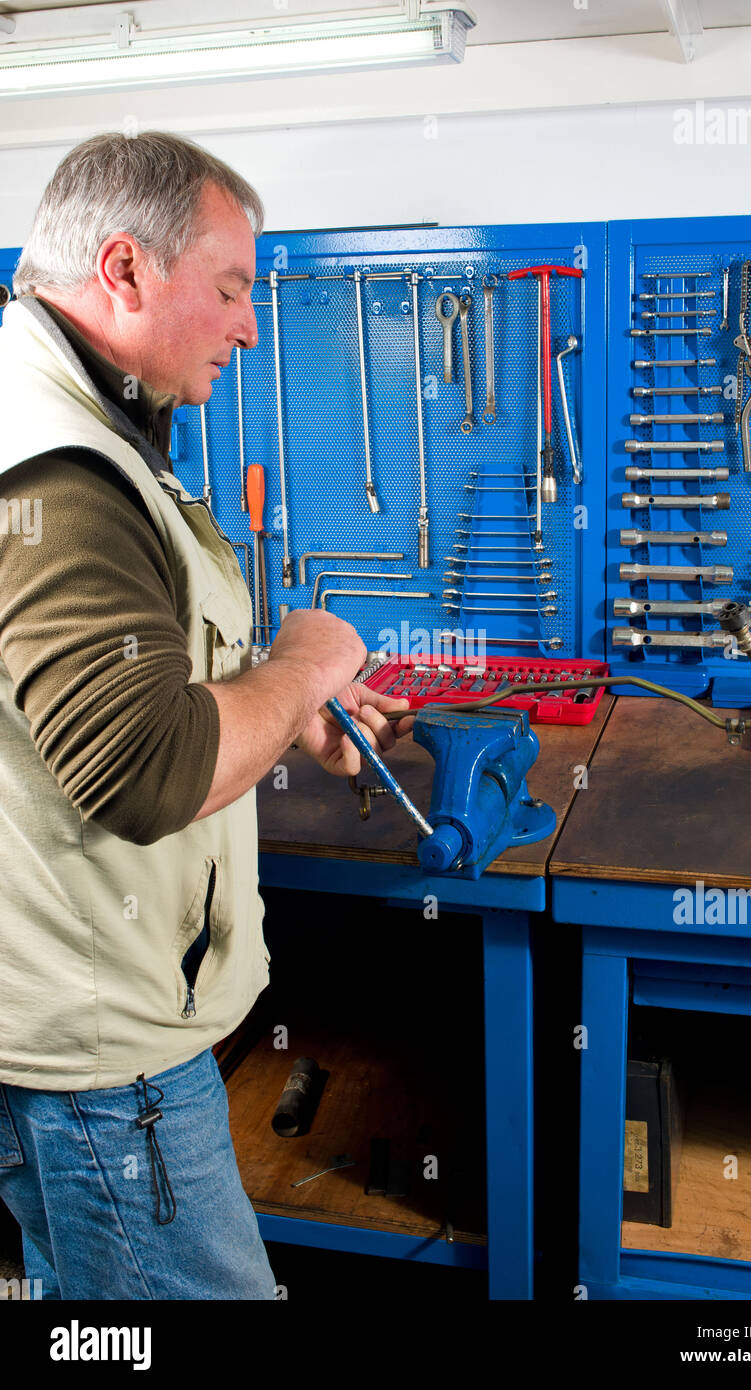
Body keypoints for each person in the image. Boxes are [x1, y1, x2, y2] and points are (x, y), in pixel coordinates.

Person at [0, 130, 412, 1299]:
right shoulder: (61, 471)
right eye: (230, 288)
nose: (246, 325)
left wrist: (287, 716)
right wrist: (302, 663)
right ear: (123, 271)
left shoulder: (80, 418)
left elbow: (140, 685)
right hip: (98, 1057)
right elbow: (147, 770)